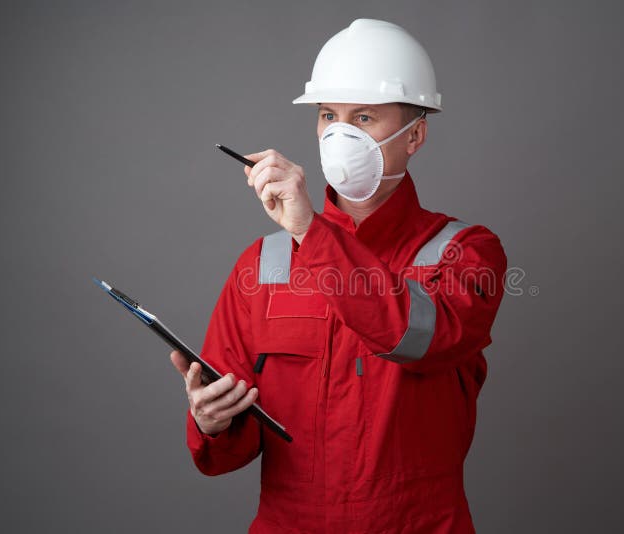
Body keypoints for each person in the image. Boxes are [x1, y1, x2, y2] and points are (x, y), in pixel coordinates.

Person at [170, 18, 507, 533]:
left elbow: (420, 336)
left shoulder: (465, 253)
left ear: (414, 134)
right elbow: (228, 452)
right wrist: (212, 422)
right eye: (329, 115)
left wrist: (312, 231)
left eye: (365, 116)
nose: (341, 133)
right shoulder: (261, 267)